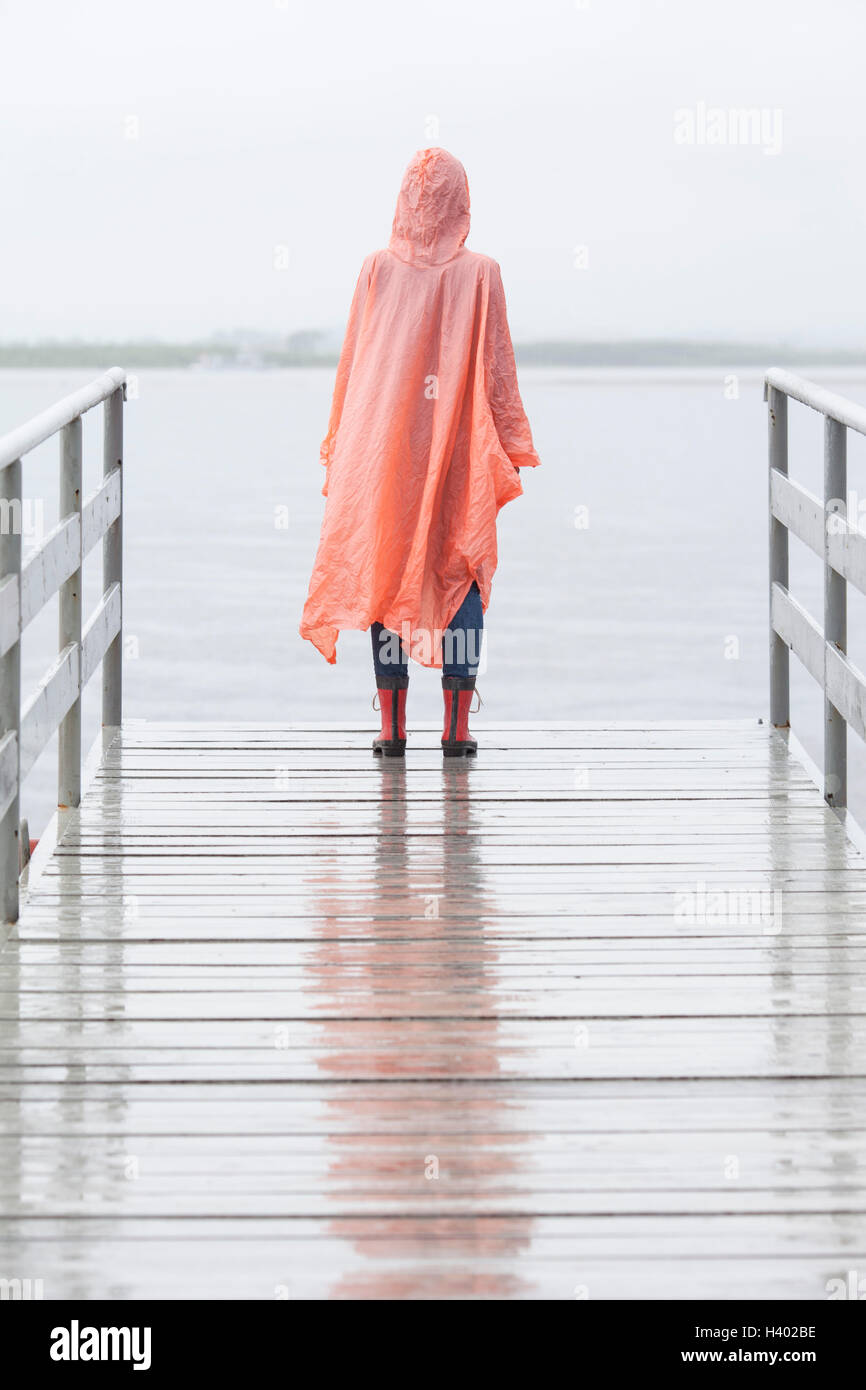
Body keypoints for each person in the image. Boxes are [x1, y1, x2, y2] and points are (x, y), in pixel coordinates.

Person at [300, 147, 540, 756]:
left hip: (382, 447)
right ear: (462, 202)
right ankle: (457, 727)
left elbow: (355, 365)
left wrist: (343, 442)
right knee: (461, 571)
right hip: (458, 443)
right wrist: (508, 442)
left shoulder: (374, 268)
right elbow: (497, 367)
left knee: (386, 569)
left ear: (403, 201)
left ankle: (391, 726)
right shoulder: (481, 271)